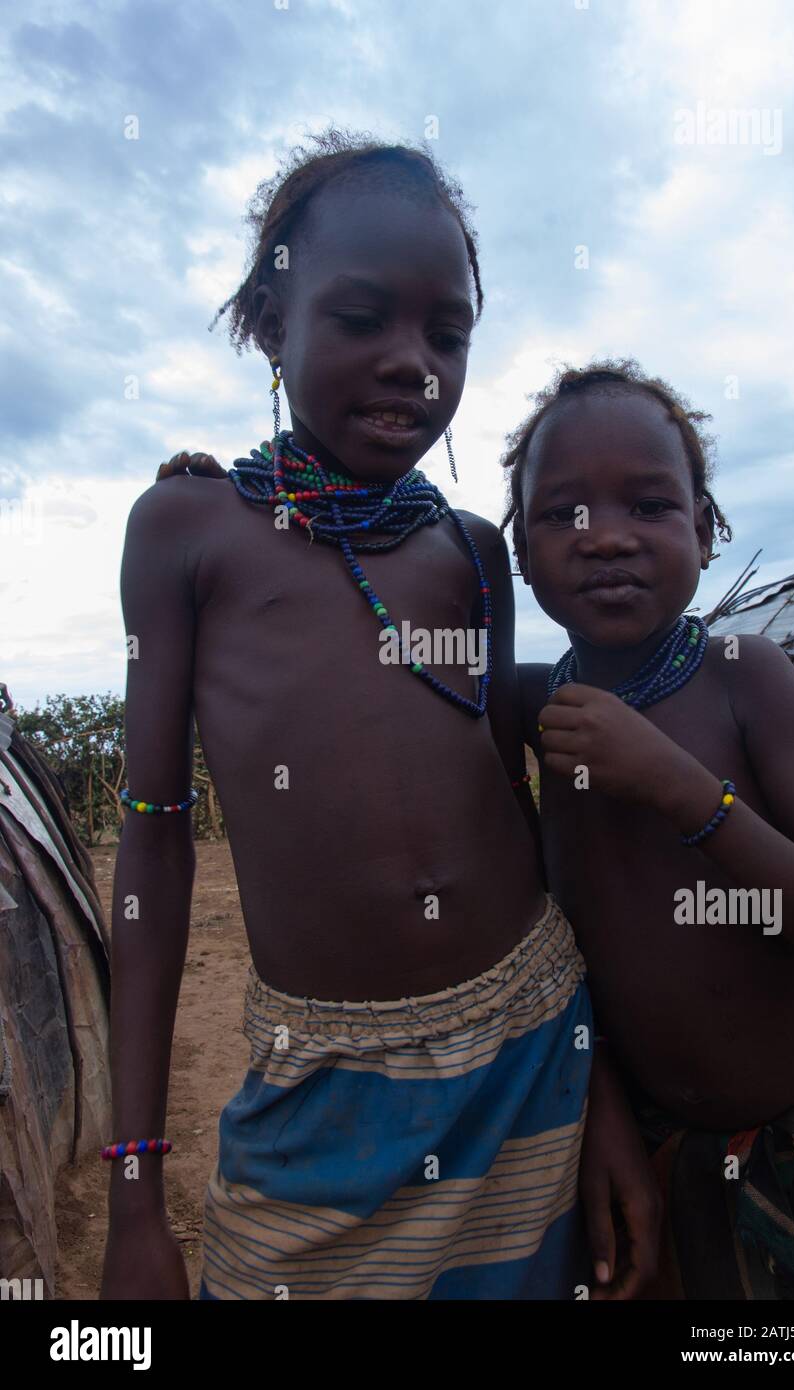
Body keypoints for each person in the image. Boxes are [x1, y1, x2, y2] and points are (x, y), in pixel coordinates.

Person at [101, 136, 658, 1302]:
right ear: (269, 318)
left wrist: (598, 1087)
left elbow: (527, 821)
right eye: (362, 317)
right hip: (321, 1094)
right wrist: (135, 1194)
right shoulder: (185, 532)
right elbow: (151, 840)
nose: (412, 363)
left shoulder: (470, 552)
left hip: (533, 1056)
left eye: (445, 335)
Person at [509, 359, 794, 1299]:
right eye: (563, 515)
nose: (607, 540)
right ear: (518, 549)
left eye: (652, 505)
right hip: (636, 1146)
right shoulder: (527, 708)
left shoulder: (749, 677)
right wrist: (261, 496)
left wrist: (686, 792)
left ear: (706, 531)